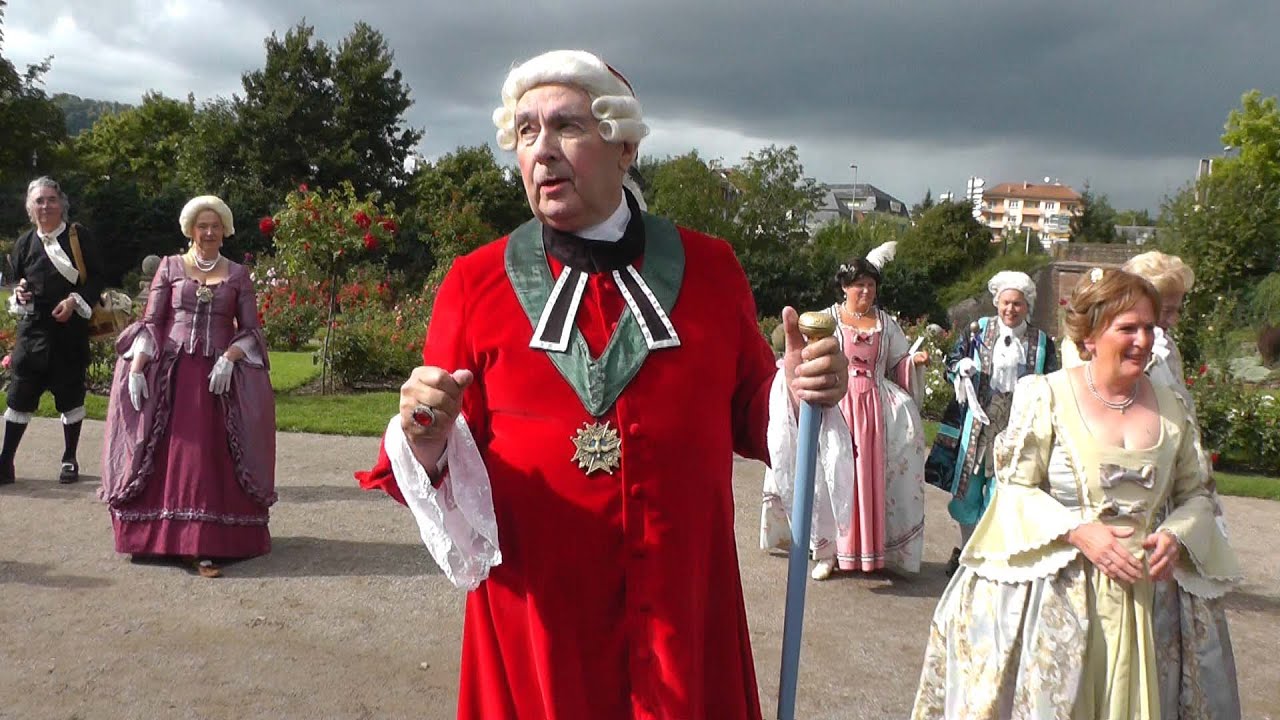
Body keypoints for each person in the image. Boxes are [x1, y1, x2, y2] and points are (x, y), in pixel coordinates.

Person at [354, 50, 847, 719]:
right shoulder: (475, 283)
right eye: (526, 131)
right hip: (537, 627)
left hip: (680, 611)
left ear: (625, 146)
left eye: (567, 127)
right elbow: (432, 450)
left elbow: (753, 414)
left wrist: (795, 389)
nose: (542, 150)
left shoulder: (711, 269)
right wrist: (425, 434)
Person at [911, 268, 1242, 719]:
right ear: (1090, 336)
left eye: (1149, 328)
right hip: (1060, 593)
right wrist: (1078, 531)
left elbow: (1198, 494)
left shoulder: (1173, 407)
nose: (1144, 340)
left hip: (1154, 605)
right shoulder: (1046, 396)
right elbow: (1016, 487)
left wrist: (1176, 535)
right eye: (1128, 328)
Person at [100, 196, 276, 578]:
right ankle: (164, 537)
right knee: (174, 452)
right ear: (191, 230)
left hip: (217, 382)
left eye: (215, 226)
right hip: (174, 376)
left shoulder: (238, 275)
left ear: (225, 231)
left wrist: (229, 358)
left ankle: (204, 541)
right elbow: (152, 322)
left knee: (209, 456)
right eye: (202, 226)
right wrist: (137, 367)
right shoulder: (170, 267)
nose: (209, 232)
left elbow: (251, 330)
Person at [762, 243, 928, 580]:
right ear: (844, 287)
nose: (866, 291)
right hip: (837, 405)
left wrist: (913, 363)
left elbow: (898, 361)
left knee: (868, 478)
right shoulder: (829, 319)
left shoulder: (884, 322)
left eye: (871, 285)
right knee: (830, 475)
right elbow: (809, 355)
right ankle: (827, 552)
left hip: (874, 411)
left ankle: (867, 552)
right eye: (859, 285)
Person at [939, 270, 1058, 575]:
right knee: (967, 491)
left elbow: (1053, 384)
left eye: (1017, 303)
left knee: (1002, 494)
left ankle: (991, 554)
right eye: (1006, 302)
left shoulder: (1042, 342)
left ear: (1027, 305)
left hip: (1017, 428)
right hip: (977, 426)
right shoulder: (977, 331)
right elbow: (950, 363)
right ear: (997, 302)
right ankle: (966, 551)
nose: (1011, 309)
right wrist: (960, 368)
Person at [1, 177, 104, 485]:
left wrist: (74, 301)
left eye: (51, 199)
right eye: (39, 201)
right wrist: (21, 293)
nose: (45, 206)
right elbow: (20, 282)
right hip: (32, 333)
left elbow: (97, 279)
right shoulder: (24, 243)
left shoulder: (79, 237)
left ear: (62, 204)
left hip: (69, 333)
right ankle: (5, 461)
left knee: (70, 395)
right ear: (30, 208)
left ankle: (69, 458)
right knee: (19, 395)